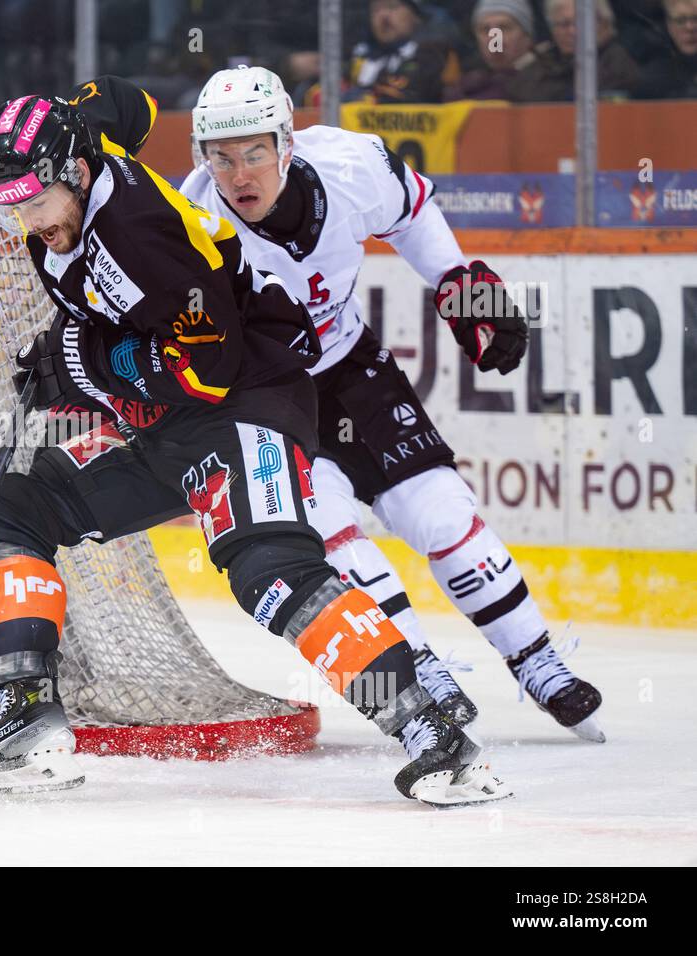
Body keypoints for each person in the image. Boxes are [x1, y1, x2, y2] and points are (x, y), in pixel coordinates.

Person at [0, 85, 511, 806]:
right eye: (11, 206)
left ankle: (433, 732)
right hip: (156, 422)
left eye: (35, 202)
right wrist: (83, 110)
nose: (27, 221)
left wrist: (78, 364)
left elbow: (202, 369)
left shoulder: (139, 237)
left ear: (78, 174)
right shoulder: (83, 155)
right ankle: (25, 720)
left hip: (245, 403)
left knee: (272, 569)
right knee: (15, 513)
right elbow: (133, 105)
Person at [181, 65, 604, 744]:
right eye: (221, 156)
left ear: (287, 143)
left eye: (255, 151)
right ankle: (419, 673)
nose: (238, 173)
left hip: (350, 368)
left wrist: (460, 283)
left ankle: (539, 663)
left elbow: (412, 213)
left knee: (442, 511)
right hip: (267, 401)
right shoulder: (194, 223)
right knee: (333, 538)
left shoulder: (350, 165)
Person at [508, 0, 640, 102]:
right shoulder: (537, 66)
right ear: (552, 29)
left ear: (603, 24)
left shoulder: (617, 63)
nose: (572, 31)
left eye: (581, 22)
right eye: (564, 24)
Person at [347, 0, 462, 103]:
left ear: (416, 16)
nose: (383, 15)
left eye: (392, 7)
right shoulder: (360, 55)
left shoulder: (437, 54)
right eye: (376, 10)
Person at [446, 0, 539, 101]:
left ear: (527, 36)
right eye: (485, 29)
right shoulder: (463, 86)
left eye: (504, 28)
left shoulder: (547, 84)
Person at [634, 0, 697, 99]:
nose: (690, 27)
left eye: (696, 18)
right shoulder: (654, 78)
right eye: (680, 20)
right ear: (669, 26)